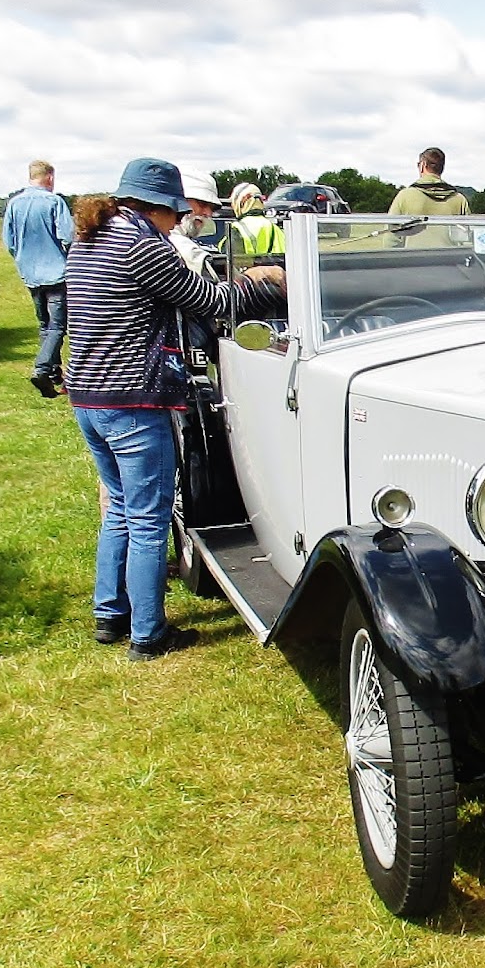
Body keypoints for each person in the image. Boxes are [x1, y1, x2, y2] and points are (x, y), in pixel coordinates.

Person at [65, 157, 285, 661]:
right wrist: (263, 281)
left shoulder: (90, 240)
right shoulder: (143, 245)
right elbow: (206, 299)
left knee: (120, 509)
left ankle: (109, 613)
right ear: (161, 207)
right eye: (177, 210)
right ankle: (148, 633)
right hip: (134, 401)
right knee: (148, 517)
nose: (180, 218)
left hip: (90, 398)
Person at [2, 160, 75, 398]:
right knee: (57, 327)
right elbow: (67, 236)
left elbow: (9, 241)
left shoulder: (14, 204)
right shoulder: (54, 202)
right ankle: (42, 369)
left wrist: (22, 259)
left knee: (45, 325)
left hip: (30, 273)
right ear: (50, 178)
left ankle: (54, 374)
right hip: (56, 272)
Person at [387, 148, 471, 247]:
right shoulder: (459, 199)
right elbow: (467, 237)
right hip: (449, 260)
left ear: (422, 165)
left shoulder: (404, 196)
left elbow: (391, 237)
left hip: (413, 260)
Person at [228, 182, 285, 257]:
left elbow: (225, 256)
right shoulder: (278, 229)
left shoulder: (236, 229)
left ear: (240, 203)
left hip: (250, 268)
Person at [179, 172, 225, 247]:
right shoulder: (165, 240)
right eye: (202, 204)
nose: (208, 214)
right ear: (181, 200)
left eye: (212, 208)